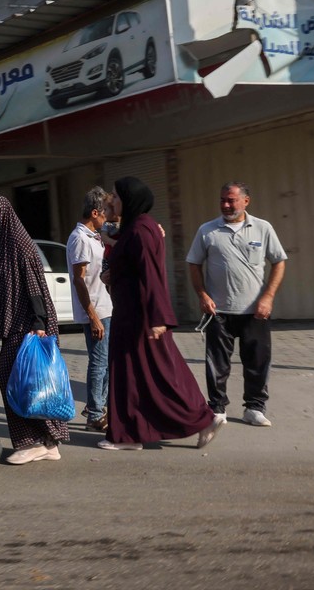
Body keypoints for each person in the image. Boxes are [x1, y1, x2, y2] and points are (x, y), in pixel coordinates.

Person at [101, 176, 224, 451]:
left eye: (117, 197)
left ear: (130, 200)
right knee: (144, 374)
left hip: (140, 317)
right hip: (133, 315)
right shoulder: (136, 228)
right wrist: (113, 274)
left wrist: (158, 318)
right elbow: (132, 265)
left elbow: (151, 275)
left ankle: (200, 420)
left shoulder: (141, 230)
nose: (113, 201)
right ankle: (132, 433)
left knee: (156, 374)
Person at [0, 196, 69, 464]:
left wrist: (39, 324)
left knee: (22, 382)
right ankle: (47, 442)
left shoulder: (21, 245)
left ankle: (36, 441)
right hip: (15, 325)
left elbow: (34, 286)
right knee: (24, 383)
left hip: (28, 326)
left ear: (2, 216)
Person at [186, 181, 286, 427]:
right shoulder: (207, 230)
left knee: (257, 361)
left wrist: (268, 297)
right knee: (217, 364)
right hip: (218, 311)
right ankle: (217, 408)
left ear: (246, 201)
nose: (226, 205)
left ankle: (254, 408)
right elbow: (193, 263)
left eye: (231, 200)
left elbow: (279, 262)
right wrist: (202, 294)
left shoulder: (262, 228)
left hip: (255, 312)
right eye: (222, 200)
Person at [66, 186, 113, 432]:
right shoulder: (79, 239)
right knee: (98, 362)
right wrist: (92, 317)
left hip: (106, 307)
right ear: (95, 212)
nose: (107, 216)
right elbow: (78, 280)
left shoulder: (94, 235)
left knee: (106, 361)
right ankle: (95, 414)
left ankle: (96, 405)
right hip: (94, 310)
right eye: (105, 211)